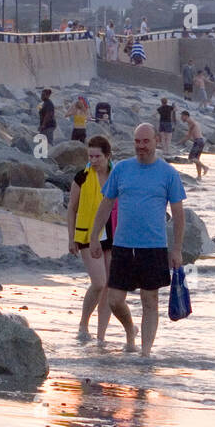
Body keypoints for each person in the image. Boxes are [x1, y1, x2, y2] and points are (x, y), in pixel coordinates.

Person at [87, 124, 184, 360]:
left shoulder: (168, 173)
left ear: (156, 141)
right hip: (123, 245)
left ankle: (145, 354)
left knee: (150, 300)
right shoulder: (121, 169)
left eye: (146, 141)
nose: (141, 146)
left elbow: (179, 214)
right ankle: (130, 329)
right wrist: (94, 237)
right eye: (137, 142)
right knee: (114, 300)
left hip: (154, 247)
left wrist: (177, 250)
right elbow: (106, 204)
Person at [67, 136, 137, 348]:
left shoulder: (118, 177)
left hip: (114, 236)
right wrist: (71, 238)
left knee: (109, 286)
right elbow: (72, 208)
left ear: (108, 156)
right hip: (88, 235)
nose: (93, 160)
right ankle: (83, 325)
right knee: (98, 282)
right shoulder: (82, 177)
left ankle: (100, 337)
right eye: (90, 156)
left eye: (98, 156)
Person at [180, 110, 208, 179]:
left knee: (191, 158)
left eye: (182, 116)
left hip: (198, 141)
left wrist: (190, 128)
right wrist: (181, 141)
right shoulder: (190, 123)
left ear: (186, 116)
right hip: (201, 141)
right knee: (196, 159)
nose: (181, 118)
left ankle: (205, 167)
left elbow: (193, 124)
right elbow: (188, 136)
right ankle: (199, 176)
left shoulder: (190, 121)